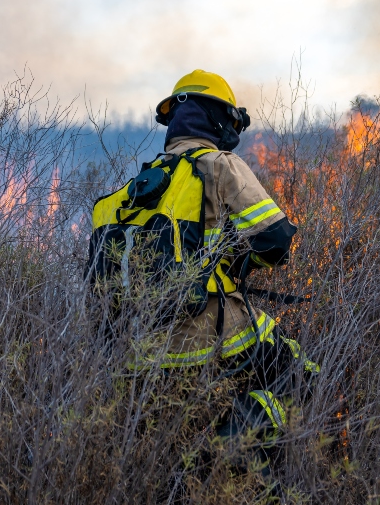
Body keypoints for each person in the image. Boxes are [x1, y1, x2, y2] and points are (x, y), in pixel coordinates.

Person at [88, 69, 318, 467]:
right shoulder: (219, 165)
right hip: (210, 334)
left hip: (139, 354)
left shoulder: (136, 189)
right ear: (215, 118)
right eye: (229, 120)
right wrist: (248, 262)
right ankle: (227, 459)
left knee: (171, 447)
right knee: (302, 376)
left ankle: (194, 467)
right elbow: (277, 241)